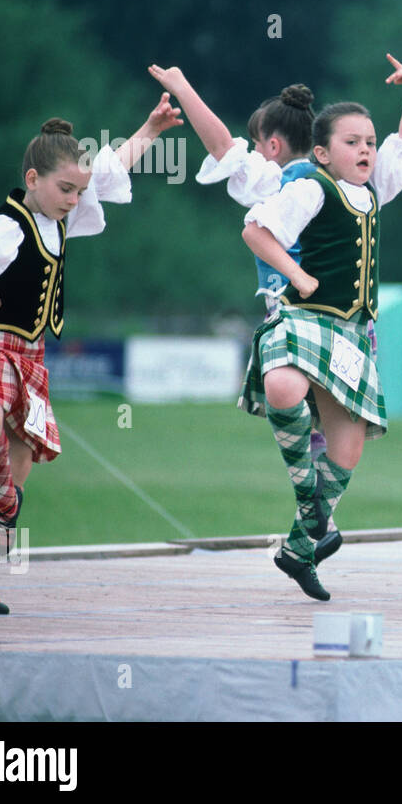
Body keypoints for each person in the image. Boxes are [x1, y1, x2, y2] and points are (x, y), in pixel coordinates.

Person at [0, 100, 182, 613]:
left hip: (34, 355)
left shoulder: (69, 216)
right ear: (33, 178)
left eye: (78, 191)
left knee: (21, 456)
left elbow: (112, 168)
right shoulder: (3, 228)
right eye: (65, 189)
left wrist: (151, 128)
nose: (75, 199)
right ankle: (5, 501)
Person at [237, 54, 402, 601]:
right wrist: (296, 273)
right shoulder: (313, 187)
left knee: (347, 449)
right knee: (283, 386)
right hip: (306, 319)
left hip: (352, 334)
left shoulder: (373, 192)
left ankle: (299, 549)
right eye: (352, 141)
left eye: (369, 140)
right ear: (322, 152)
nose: (366, 149)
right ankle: (309, 505)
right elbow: (256, 230)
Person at [147, 67, 349, 563]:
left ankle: (315, 516)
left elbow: (222, 147)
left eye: (259, 144)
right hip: (347, 318)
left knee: (290, 408)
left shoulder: (276, 178)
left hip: (298, 313)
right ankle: (320, 521)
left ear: (274, 145)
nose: (254, 152)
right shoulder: (336, 176)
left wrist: (183, 88)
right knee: (331, 424)